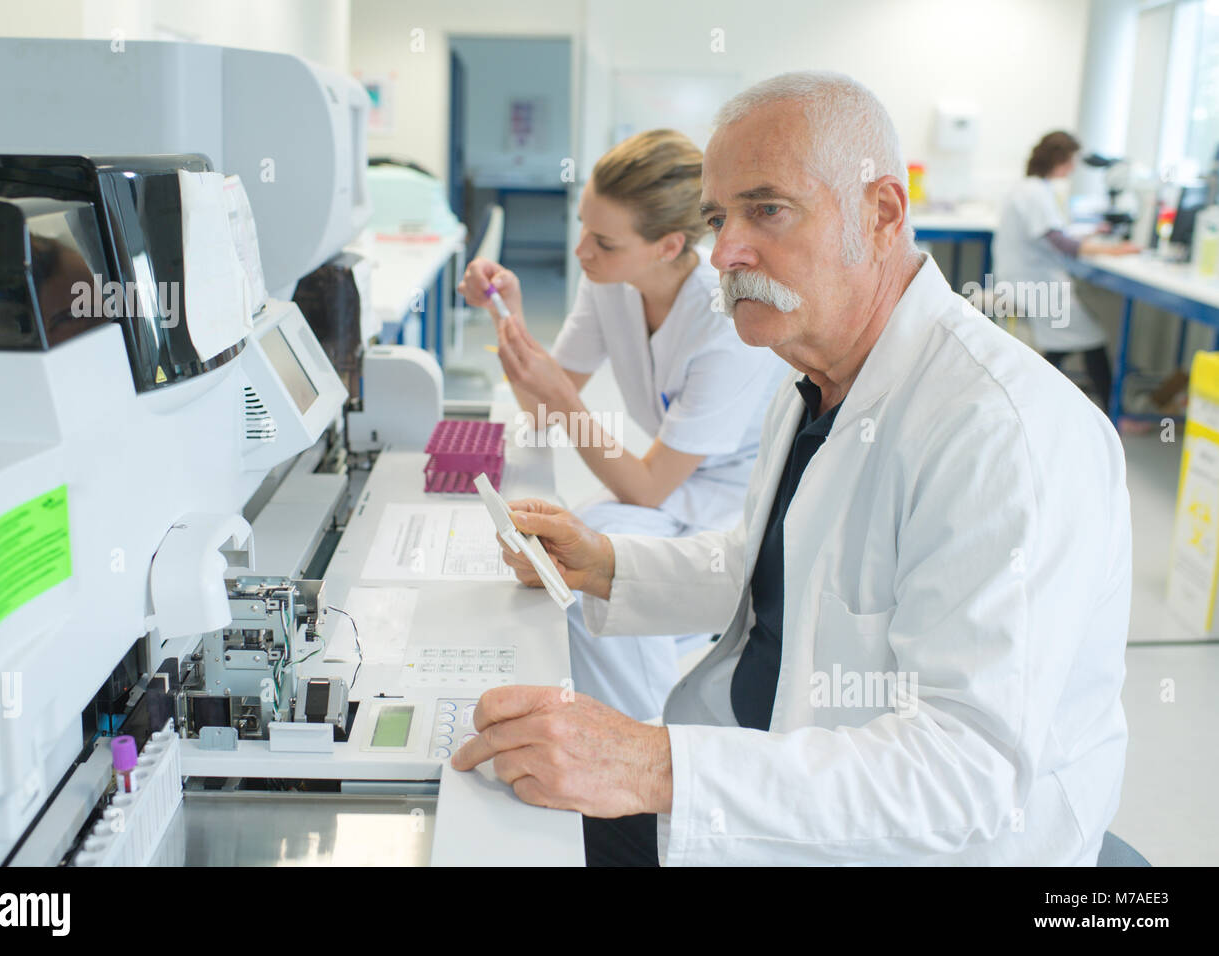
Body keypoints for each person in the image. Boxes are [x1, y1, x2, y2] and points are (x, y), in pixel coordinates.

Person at [451, 72, 1132, 867]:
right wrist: (608, 565)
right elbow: (777, 566)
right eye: (717, 217)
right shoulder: (813, 377)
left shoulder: (1001, 434)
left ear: (881, 214)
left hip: (908, 846)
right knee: (504, 814)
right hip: (780, 787)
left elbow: (965, 778)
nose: (727, 252)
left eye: (767, 209)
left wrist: (653, 763)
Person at [457, 129, 786, 722]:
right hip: (678, 489)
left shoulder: (723, 319)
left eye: (604, 242)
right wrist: (509, 314)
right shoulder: (610, 284)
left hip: (737, 507)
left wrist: (562, 399)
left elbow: (647, 487)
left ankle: (636, 739)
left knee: (594, 567)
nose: (582, 251)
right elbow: (539, 411)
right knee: (569, 553)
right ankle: (599, 720)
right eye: (583, 226)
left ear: (668, 246)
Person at [992, 131, 1138, 413]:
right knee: (1092, 339)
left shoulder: (1034, 188)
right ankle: (1113, 412)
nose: (1074, 168)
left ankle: (1027, 402)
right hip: (1035, 286)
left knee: (1065, 341)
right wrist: (1112, 250)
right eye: (1072, 161)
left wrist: (1091, 234)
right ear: (1060, 159)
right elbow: (1061, 242)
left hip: (1030, 281)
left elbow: (1054, 232)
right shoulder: (1034, 192)